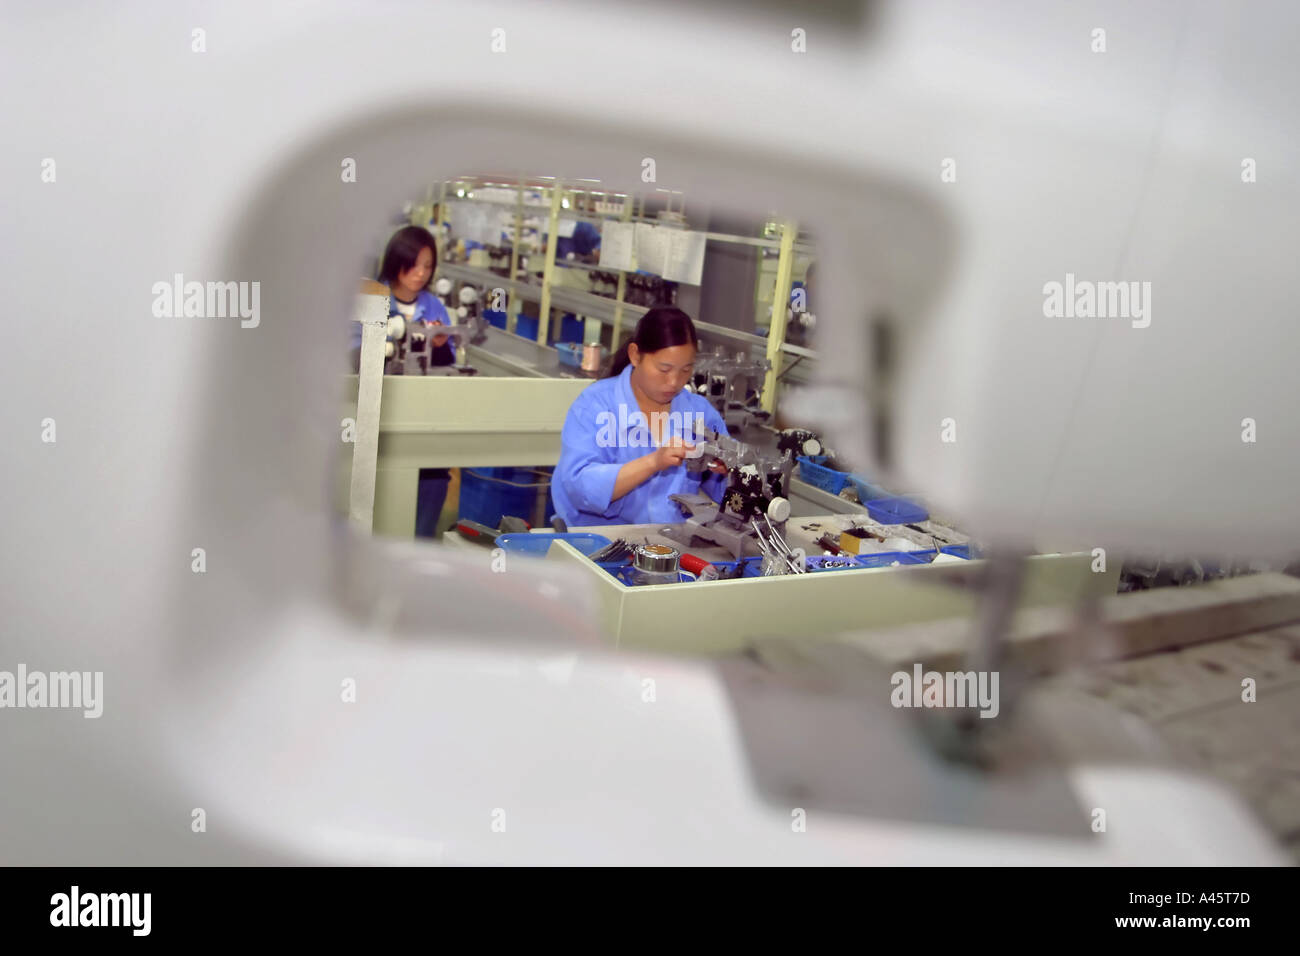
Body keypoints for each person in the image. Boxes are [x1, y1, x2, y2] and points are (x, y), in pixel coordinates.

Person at [552, 306, 731, 527]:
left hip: (671, 544)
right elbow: (579, 487)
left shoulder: (699, 413)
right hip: (598, 541)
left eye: (685, 370)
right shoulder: (596, 406)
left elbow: (727, 494)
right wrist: (653, 462)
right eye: (664, 369)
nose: (674, 382)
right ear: (635, 355)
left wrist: (729, 471)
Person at [355, 225, 456, 538]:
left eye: (427, 266)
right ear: (396, 261)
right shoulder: (370, 298)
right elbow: (351, 354)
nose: (420, 273)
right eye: (413, 264)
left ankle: (420, 546)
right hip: (379, 411)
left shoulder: (435, 307)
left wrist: (439, 347)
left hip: (424, 412)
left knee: (434, 472)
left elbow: (450, 361)